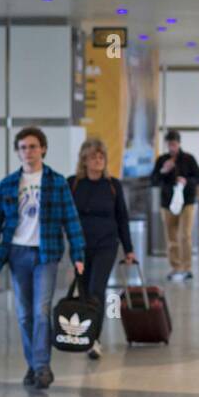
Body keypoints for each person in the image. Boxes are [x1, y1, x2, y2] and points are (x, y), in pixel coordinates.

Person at [0, 126, 85, 390]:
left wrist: (78, 254)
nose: (28, 151)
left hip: (46, 254)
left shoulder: (57, 182)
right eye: (23, 147)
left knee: (41, 311)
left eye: (33, 146)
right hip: (17, 255)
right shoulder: (7, 184)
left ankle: (41, 367)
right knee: (24, 315)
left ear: (43, 149)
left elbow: (71, 220)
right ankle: (33, 363)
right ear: (18, 152)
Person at [68, 138, 136, 360]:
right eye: (93, 157)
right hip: (80, 246)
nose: (98, 160)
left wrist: (129, 249)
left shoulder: (112, 185)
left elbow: (122, 219)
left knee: (97, 290)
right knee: (84, 291)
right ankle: (84, 332)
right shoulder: (73, 184)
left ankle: (93, 339)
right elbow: (65, 217)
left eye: (101, 157)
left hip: (106, 245)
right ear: (84, 160)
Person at [150, 129, 199, 281]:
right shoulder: (162, 160)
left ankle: (187, 268)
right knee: (171, 236)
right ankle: (176, 267)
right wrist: (163, 171)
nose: (172, 147)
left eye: (174, 144)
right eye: (169, 144)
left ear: (179, 143)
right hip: (167, 203)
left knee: (184, 235)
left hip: (187, 201)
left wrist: (187, 181)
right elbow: (153, 180)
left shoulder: (188, 159)